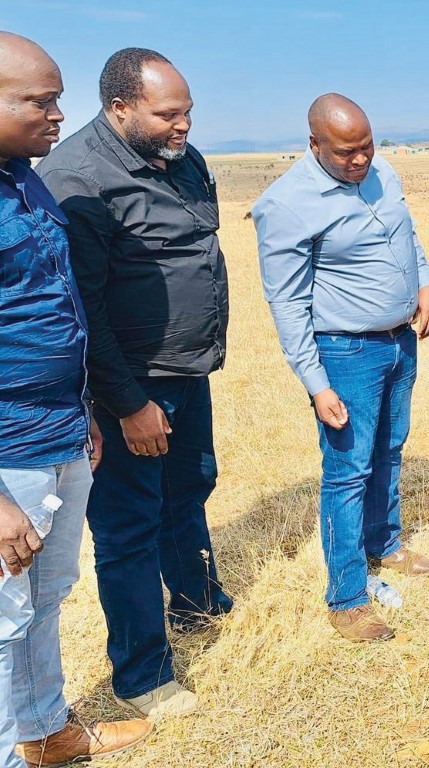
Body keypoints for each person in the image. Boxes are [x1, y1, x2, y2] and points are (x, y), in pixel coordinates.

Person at [38, 48, 232, 716]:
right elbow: (82, 308)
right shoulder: (78, 178)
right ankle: (143, 676)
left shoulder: (182, 158)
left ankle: (197, 602)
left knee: (190, 489)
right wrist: (126, 403)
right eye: (168, 113)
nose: (184, 125)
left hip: (187, 371)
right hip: (131, 386)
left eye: (187, 111)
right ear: (120, 108)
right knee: (128, 528)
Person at [0, 32, 151, 767]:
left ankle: (45, 730)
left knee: (45, 595)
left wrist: (83, 408)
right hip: (8, 454)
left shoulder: (25, 179)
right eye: (40, 101)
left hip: (58, 429)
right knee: (2, 618)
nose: (59, 114)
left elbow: (55, 308)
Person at [253, 94, 429, 643]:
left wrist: (426, 281)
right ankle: (348, 597)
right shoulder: (285, 204)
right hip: (345, 354)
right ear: (314, 144)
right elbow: (288, 304)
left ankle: (385, 542)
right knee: (348, 471)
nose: (360, 160)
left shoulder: (382, 172)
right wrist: (317, 385)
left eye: (367, 146)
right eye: (344, 153)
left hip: (400, 342)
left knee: (390, 448)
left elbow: (406, 235)